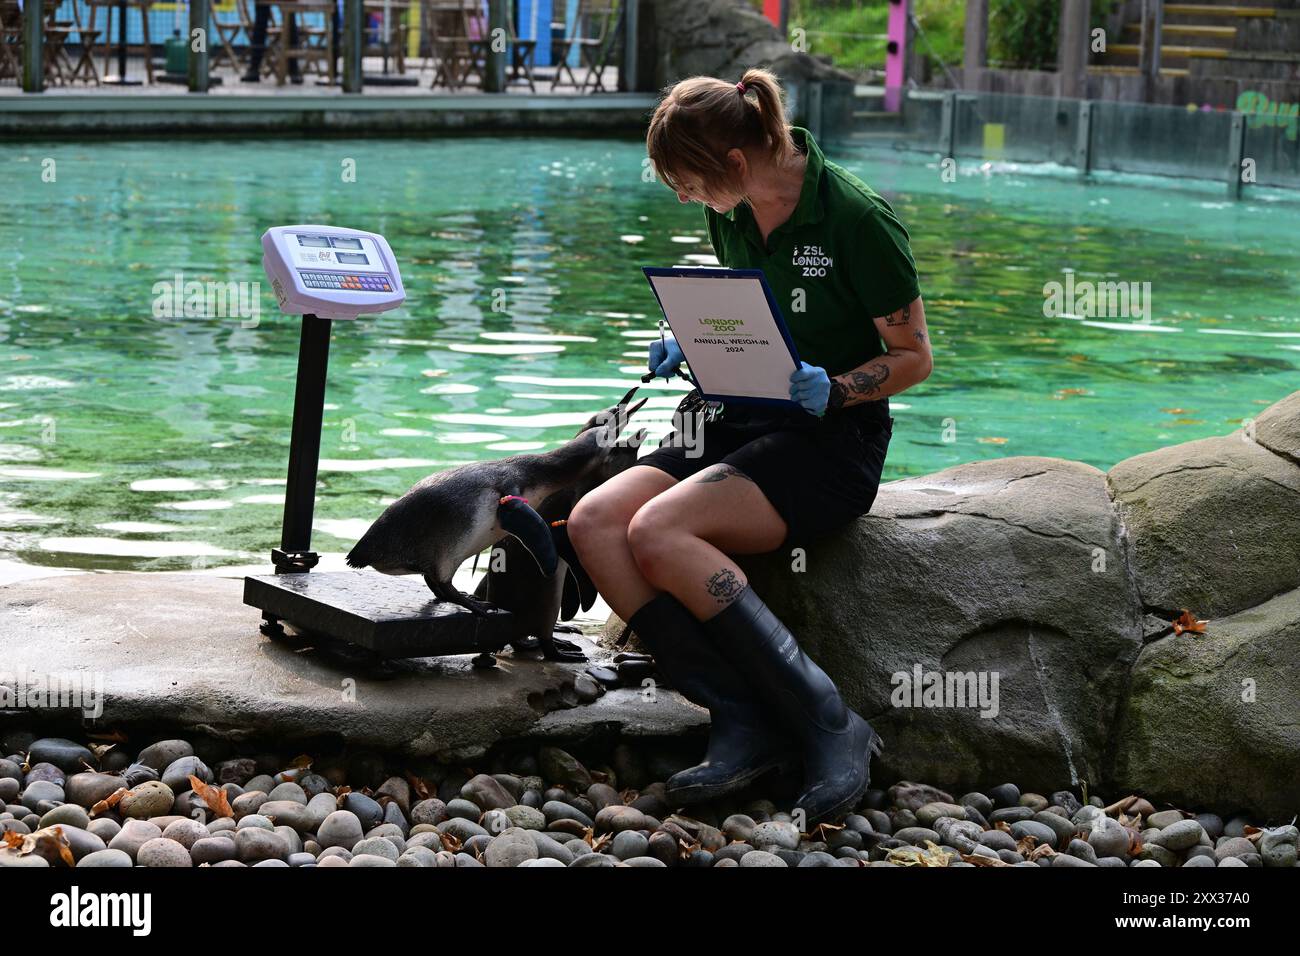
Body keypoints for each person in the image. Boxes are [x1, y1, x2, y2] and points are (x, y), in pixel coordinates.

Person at [567, 67, 932, 826]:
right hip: (735, 414)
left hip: (831, 438)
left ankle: (828, 720)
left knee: (660, 530)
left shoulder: (858, 219)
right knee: (595, 522)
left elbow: (915, 356)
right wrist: (687, 340)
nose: (681, 198)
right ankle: (737, 714)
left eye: (687, 181)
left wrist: (836, 386)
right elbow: (746, 317)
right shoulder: (731, 213)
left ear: (734, 163)